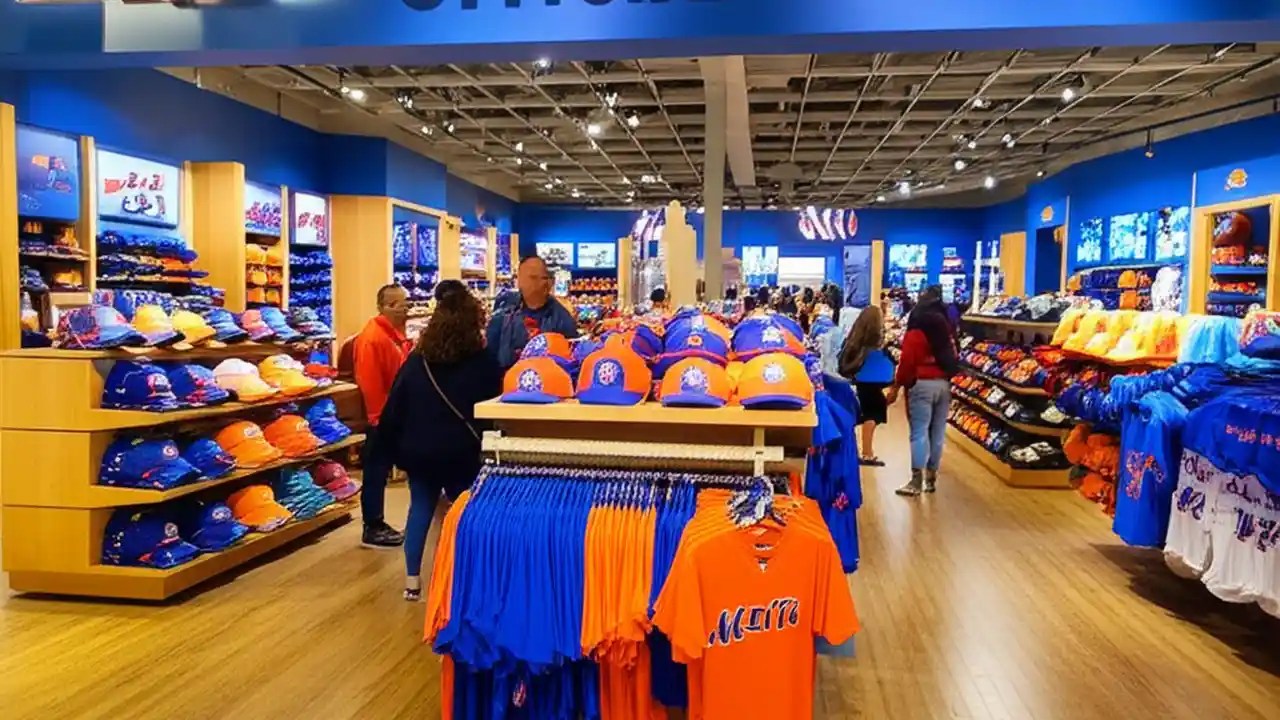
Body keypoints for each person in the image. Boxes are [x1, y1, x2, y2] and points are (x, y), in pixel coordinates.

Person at [373, 280, 502, 601]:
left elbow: (395, 407)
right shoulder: (483, 361)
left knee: (420, 508)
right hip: (463, 452)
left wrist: (387, 450)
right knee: (464, 512)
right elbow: (493, 406)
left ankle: (412, 582)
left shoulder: (418, 360)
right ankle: (463, 578)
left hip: (421, 451)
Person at [353, 284, 413, 548]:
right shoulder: (373, 338)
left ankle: (379, 523)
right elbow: (370, 382)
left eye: (405, 303)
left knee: (383, 469)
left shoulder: (394, 336)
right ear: (383, 307)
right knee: (376, 471)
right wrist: (378, 418)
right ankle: (373, 525)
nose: (404, 308)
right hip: (381, 418)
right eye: (396, 304)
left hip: (394, 414)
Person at [886, 286, 958, 496]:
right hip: (943, 384)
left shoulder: (918, 327)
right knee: (938, 433)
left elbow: (907, 360)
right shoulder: (946, 327)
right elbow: (955, 354)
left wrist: (897, 385)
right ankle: (931, 478)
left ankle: (916, 481)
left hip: (921, 384)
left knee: (919, 432)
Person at [486, 255, 579, 370]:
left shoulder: (562, 318)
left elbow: (571, 362)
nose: (523, 283)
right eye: (530, 277)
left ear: (548, 283)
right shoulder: (504, 308)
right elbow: (490, 353)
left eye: (537, 277)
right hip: (507, 377)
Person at [838, 306, 891, 466]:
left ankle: (853, 450)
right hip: (872, 385)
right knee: (872, 415)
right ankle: (867, 453)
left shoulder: (852, 340)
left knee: (863, 415)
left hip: (855, 382)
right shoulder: (877, 345)